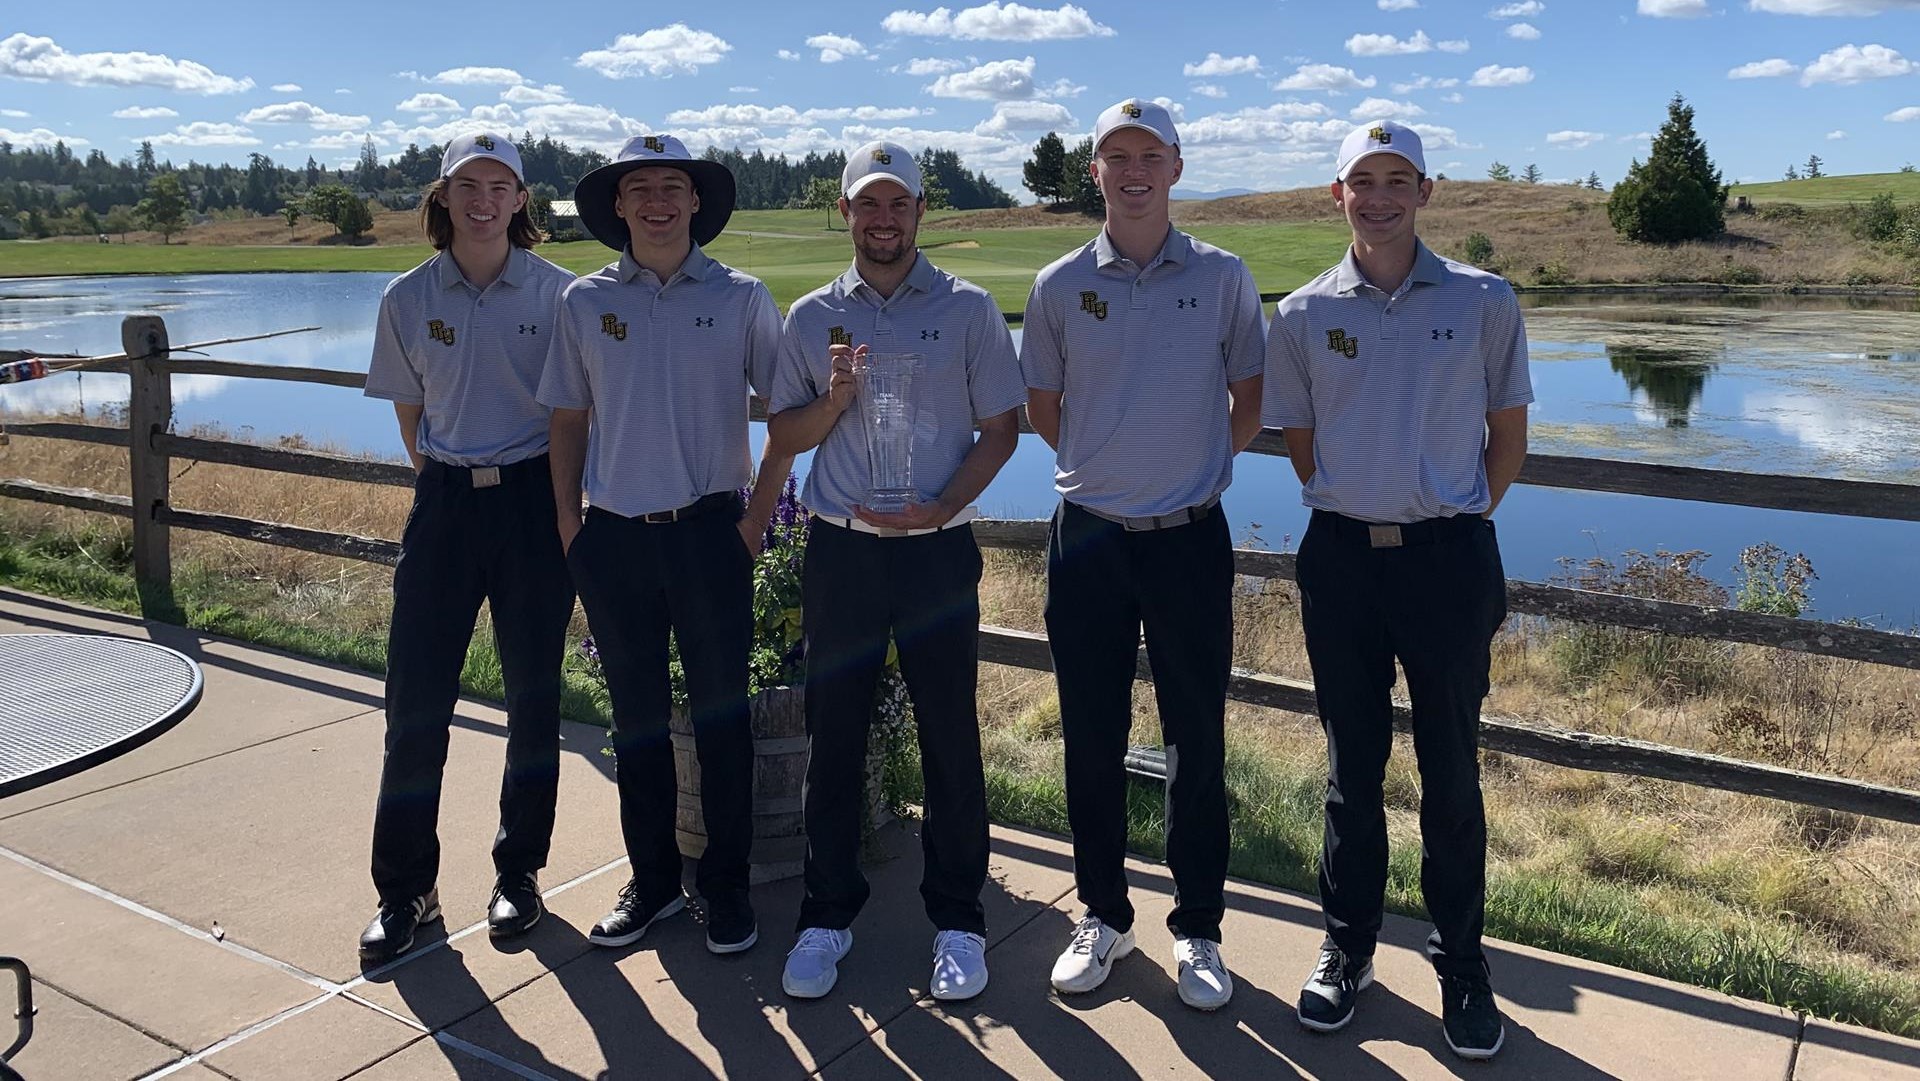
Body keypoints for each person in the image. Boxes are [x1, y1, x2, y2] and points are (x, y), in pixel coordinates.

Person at [1262, 120, 1531, 1060]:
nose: (1378, 197)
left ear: (1426, 190)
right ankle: (1349, 946)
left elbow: (1508, 440)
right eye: (1361, 181)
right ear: (1336, 194)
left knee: (1452, 771)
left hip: (1449, 562)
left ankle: (1462, 964)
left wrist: (1443, 517)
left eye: (1397, 180)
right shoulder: (1296, 315)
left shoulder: (1484, 301)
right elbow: (1303, 450)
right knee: (1352, 767)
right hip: (1341, 560)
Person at [1019, 99, 1266, 1011]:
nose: (1133, 170)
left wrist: (1184, 469)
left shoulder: (1225, 276)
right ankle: (1105, 914)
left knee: (1196, 736)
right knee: (1091, 733)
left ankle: (1197, 925)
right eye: (1115, 155)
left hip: (1187, 537)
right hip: (1087, 535)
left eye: (1149, 155)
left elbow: (1247, 400)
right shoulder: (1055, 285)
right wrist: (1114, 470)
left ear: (1175, 166)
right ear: (1095, 172)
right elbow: (1047, 411)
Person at [767, 142, 1025, 1002]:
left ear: (921, 212)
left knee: (951, 734)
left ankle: (958, 918)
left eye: (898, 205)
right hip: (841, 549)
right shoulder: (809, 317)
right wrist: (834, 400)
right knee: (831, 733)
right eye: (867, 205)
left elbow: (1003, 429)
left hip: (936, 548)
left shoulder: (970, 309)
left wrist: (939, 507)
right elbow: (788, 437)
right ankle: (825, 913)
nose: (883, 220)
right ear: (844, 213)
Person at [537, 134, 794, 955]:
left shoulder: (742, 296)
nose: (655, 200)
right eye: (638, 187)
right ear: (617, 205)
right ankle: (651, 880)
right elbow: (567, 418)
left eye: (671, 187)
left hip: (711, 534)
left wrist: (757, 518)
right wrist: (570, 524)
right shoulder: (583, 303)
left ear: (695, 203)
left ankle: (724, 887)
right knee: (638, 722)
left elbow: (785, 413)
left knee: (723, 721)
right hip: (614, 538)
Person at [358, 132, 577, 964]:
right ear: (442, 196)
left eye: (499, 185)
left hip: (531, 505)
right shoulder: (407, 297)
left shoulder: (562, 295)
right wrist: (452, 479)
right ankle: (405, 888)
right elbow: (411, 420)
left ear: (522, 199)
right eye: (466, 185)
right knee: (414, 707)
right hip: (444, 502)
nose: (483, 200)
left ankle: (519, 873)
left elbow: (570, 419)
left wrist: (560, 513)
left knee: (534, 702)